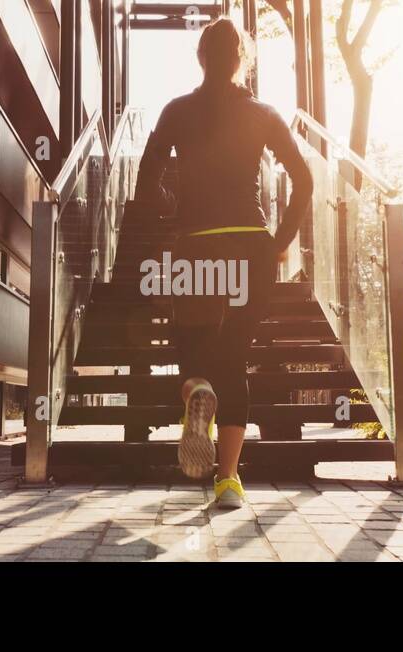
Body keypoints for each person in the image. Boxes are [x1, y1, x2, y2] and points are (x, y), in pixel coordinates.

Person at [133, 17, 313, 508]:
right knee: (235, 356)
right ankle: (229, 481)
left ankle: (197, 392)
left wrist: (171, 208)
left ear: (201, 57)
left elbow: (145, 181)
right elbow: (304, 179)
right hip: (251, 246)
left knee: (193, 353)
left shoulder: (176, 110)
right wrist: (280, 241)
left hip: (197, 244)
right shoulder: (263, 113)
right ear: (242, 61)